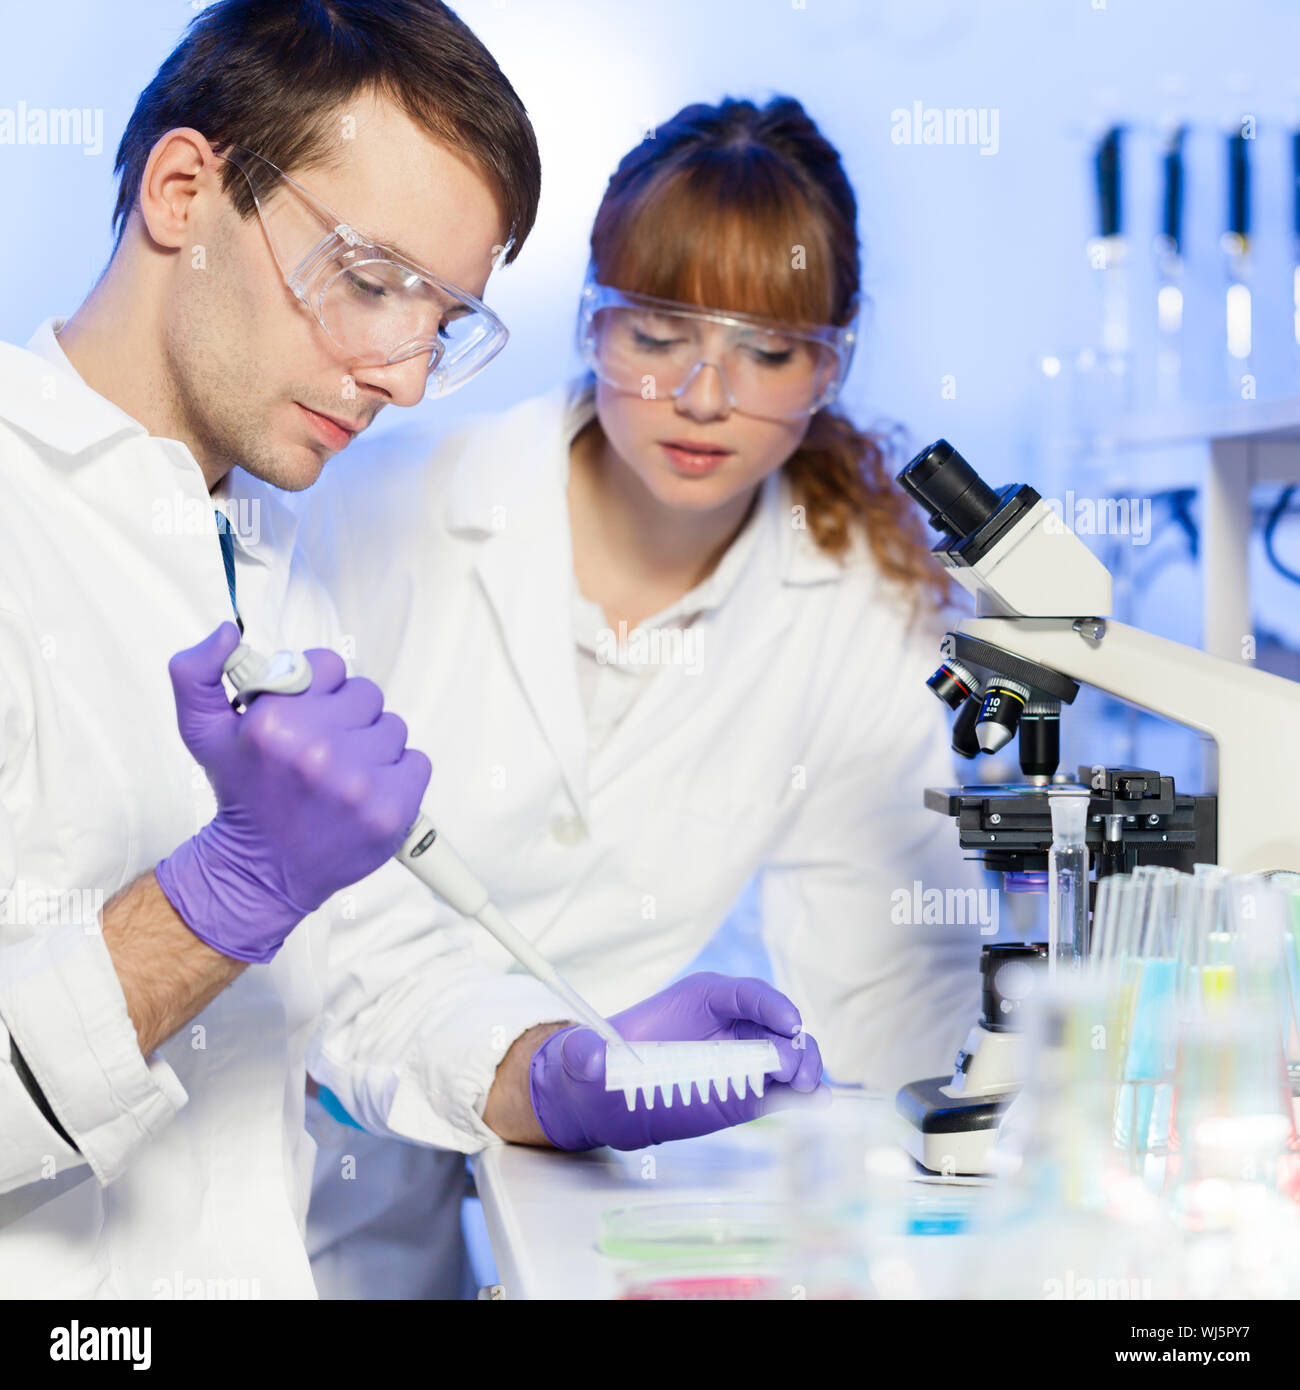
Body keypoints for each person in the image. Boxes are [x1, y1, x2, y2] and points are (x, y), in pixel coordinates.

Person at [0, 0, 804, 1298]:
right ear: (183, 191)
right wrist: (220, 897)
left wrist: (554, 1067)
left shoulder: (257, 562)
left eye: (441, 321)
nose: (404, 376)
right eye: (369, 283)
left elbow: (359, 986)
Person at [294, 94, 984, 1298]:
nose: (705, 395)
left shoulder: (857, 603)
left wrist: (929, 1187)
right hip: (300, 1143)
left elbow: (887, 972)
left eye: (768, 349)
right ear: (590, 324)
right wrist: (525, 1064)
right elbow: (294, 892)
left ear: (829, 364)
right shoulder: (392, 506)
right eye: (658, 332)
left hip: (569, 1165)